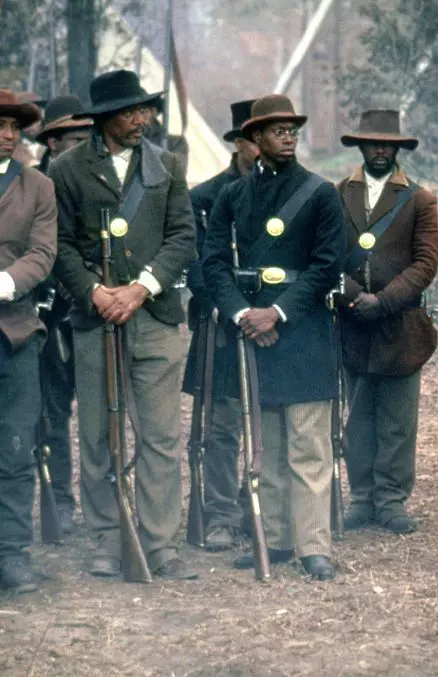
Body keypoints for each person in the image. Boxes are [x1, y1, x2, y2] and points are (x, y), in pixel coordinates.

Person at [50, 70, 197, 580]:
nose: (142, 120)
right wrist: (94, 291)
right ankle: (108, 540)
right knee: (97, 435)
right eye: (132, 112)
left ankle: (159, 545)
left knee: (159, 436)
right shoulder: (67, 170)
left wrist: (142, 288)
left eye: (146, 111)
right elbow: (60, 244)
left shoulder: (168, 166)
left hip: (153, 316)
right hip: (96, 321)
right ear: (105, 119)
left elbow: (182, 237)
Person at [203, 94, 343, 581]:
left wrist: (277, 313)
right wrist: (244, 314)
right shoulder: (233, 197)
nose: (288, 137)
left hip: (302, 330)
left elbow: (329, 265)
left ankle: (314, 546)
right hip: (253, 331)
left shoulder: (320, 193)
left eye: (292, 129)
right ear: (254, 140)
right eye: (276, 130)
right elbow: (214, 263)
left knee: (309, 443)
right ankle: (278, 540)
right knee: (267, 443)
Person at [334, 110, 438, 535]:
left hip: (401, 326)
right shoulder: (337, 194)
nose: (380, 149)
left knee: (397, 418)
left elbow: (426, 263)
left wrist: (385, 300)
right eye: (373, 142)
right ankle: (361, 497)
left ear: (398, 149)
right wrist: (352, 296)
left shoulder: (419, 199)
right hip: (352, 322)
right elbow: (324, 256)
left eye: (388, 143)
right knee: (358, 415)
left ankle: (392, 499)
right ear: (361, 146)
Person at [182, 99, 258, 551]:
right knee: (222, 427)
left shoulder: (295, 193)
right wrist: (229, 309)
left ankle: (265, 509)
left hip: (274, 326)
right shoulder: (205, 198)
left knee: (271, 422)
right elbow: (197, 266)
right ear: (241, 144)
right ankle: (223, 514)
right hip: (223, 329)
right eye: (254, 140)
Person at [0, 89, 57, 594]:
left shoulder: (38, 186)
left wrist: (4, 282)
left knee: (16, 448)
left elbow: (42, 252)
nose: (7, 135)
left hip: (14, 333)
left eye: (13, 127)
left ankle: (12, 553)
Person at [33, 95, 94, 533]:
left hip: (92, 313)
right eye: (75, 139)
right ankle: (60, 502)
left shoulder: (92, 183)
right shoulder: (27, 187)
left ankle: (104, 503)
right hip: (45, 320)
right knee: (51, 415)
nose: (84, 146)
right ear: (52, 143)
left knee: (99, 410)